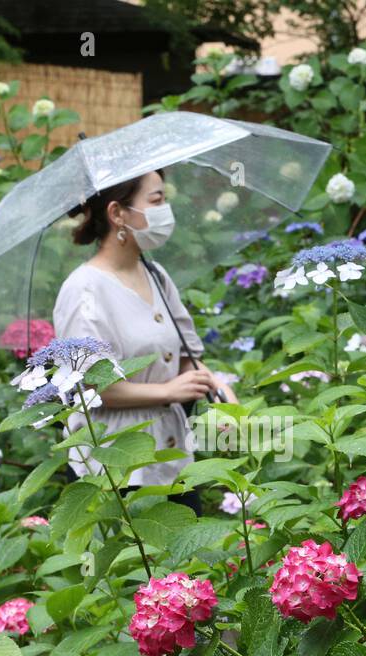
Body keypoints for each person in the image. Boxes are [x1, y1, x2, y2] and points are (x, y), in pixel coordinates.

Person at [53, 169, 237, 514]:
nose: (165, 210)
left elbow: (185, 356)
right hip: (116, 465)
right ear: (117, 213)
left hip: (173, 459)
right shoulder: (84, 291)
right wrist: (169, 392)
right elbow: (91, 386)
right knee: (135, 562)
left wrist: (218, 388)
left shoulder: (155, 274)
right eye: (157, 200)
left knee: (187, 563)